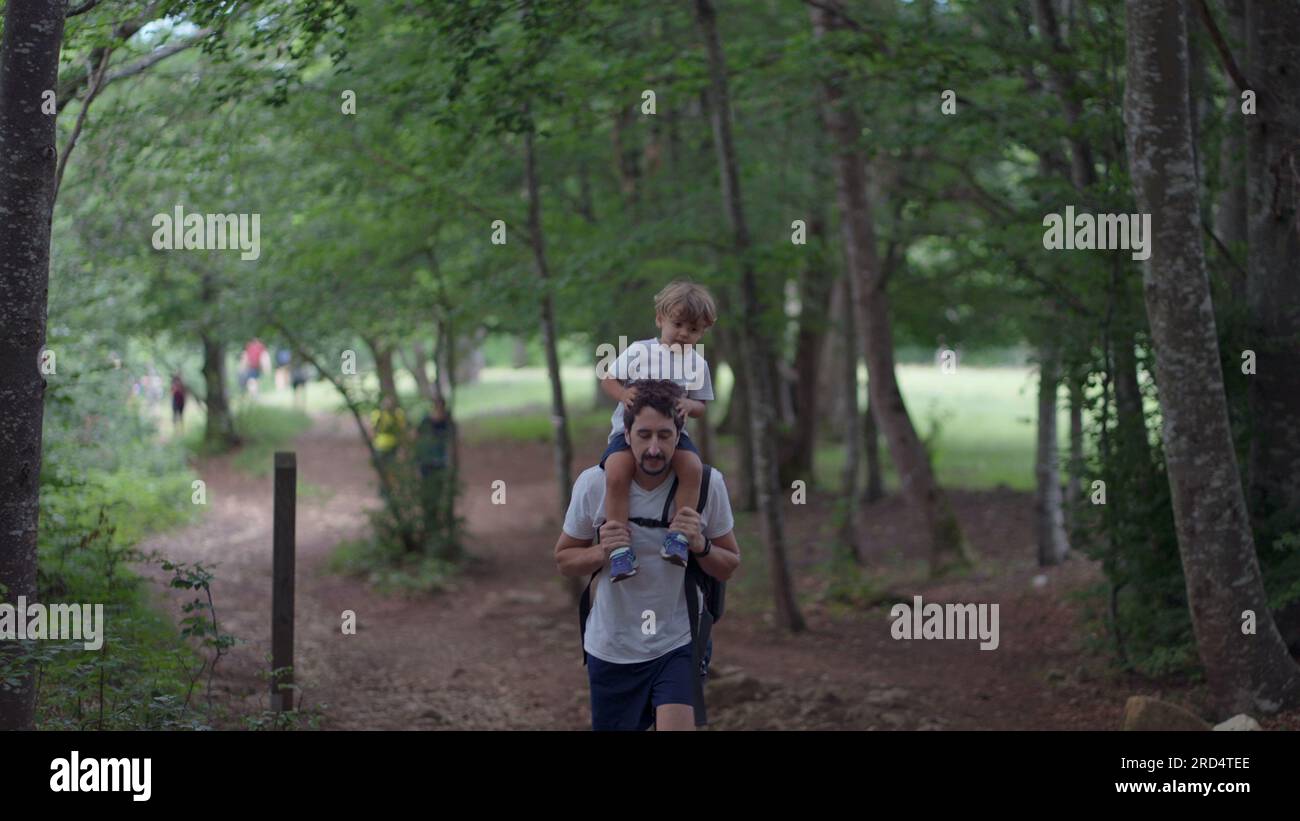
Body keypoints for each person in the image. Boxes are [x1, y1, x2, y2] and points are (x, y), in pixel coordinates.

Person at [554, 379, 741, 731]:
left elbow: (729, 564)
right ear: (625, 435)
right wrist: (601, 551)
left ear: (680, 434)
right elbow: (564, 560)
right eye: (644, 435)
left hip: (678, 641)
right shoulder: (594, 484)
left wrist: (700, 545)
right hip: (612, 646)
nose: (654, 448)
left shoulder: (706, 485)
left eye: (664, 435)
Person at [598, 281, 716, 581]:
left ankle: (678, 535)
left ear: (702, 332)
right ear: (660, 319)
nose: (684, 334)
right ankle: (619, 548)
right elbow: (609, 380)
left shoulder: (697, 363)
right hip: (628, 437)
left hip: (674, 438)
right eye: (678, 324)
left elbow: (702, 406)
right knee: (615, 472)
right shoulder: (640, 351)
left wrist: (689, 404)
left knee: (692, 467)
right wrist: (623, 395)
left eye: (693, 329)